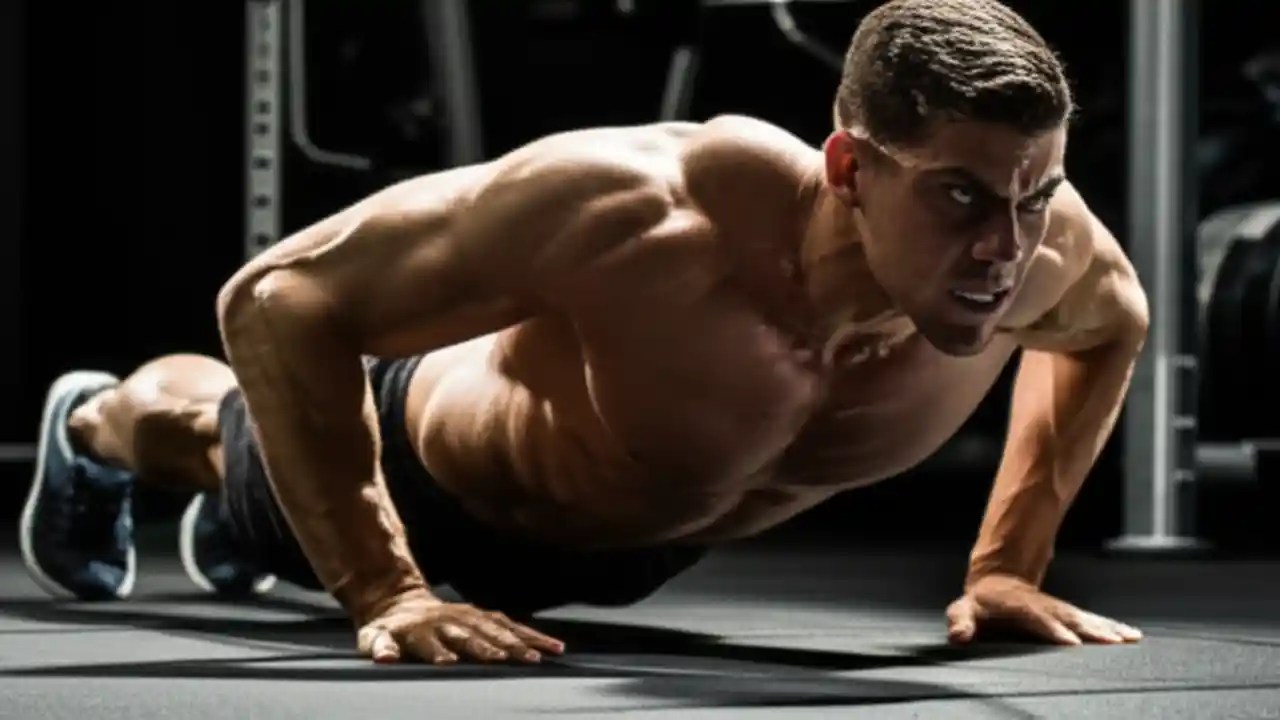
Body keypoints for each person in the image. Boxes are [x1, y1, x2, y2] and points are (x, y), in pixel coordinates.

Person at [19, 0, 1149, 666]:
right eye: (959, 197)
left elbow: (1112, 326)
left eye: (1036, 194)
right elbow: (277, 299)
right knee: (210, 437)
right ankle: (92, 426)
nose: (1004, 247)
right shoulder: (649, 208)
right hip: (428, 476)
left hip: (622, 543)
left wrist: (1006, 567)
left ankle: (256, 506)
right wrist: (385, 589)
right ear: (849, 168)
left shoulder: (1046, 252)